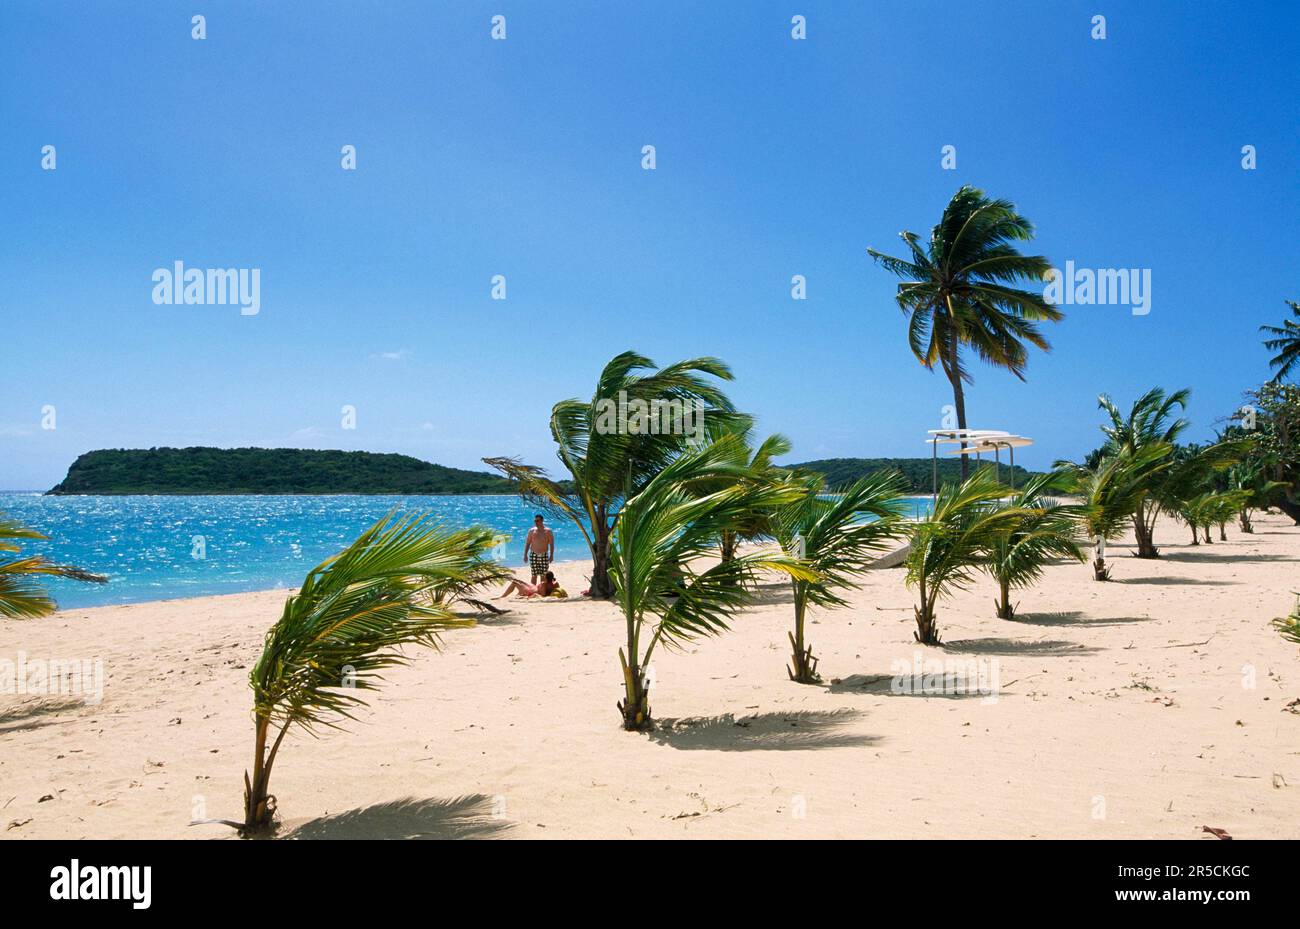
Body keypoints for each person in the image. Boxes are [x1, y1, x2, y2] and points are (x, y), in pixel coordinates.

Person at [523, 513, 554, 584]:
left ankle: (541, 590)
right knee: (534, 575)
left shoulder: (548, 531)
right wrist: (525, 555)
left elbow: (551, 544)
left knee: (543, 575)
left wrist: (551, 555)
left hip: (544, 554)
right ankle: (533, 591)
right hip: (534, 554)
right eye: (535, 521)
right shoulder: (532, 531)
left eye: (537, 521)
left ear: (542, 521)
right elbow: (528, 543)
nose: (536, 522)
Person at [494, 571, 564, 600]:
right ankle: (518, 593)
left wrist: (531, 596)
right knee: (519, 581)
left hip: (530, 591)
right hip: (533, 587)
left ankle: (502, 597)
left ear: (546, 578)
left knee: (514, 582)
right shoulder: (555, 583)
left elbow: (542, 596)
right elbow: (558, 591)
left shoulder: (544, 585)